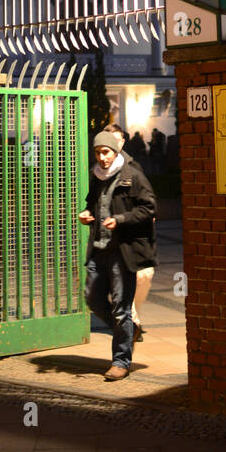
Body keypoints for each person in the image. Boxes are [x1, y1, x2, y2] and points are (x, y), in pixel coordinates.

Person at [79, 130, 156, 380]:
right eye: (98, 152)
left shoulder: (132, 176)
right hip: (98, 248)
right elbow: (92, 202)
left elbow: (149, 208)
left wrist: (121, 219)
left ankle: (120, 361)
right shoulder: (97, 175)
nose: (102, 158)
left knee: (121, 308)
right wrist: (86, 213)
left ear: (115, 152)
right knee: (92, 298)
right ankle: (129, 328)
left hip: (122, 251)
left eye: (106, 152)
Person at [103, 123, 156, 342]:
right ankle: (131, 322)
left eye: (117, 140)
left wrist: (146, 214)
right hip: (112, 235)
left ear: (123, 142)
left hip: (135, 232)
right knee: (115, 279)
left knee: (143, 276)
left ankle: (132, 316)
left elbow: (146, 200)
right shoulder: (99, 168)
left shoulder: (133, 167)